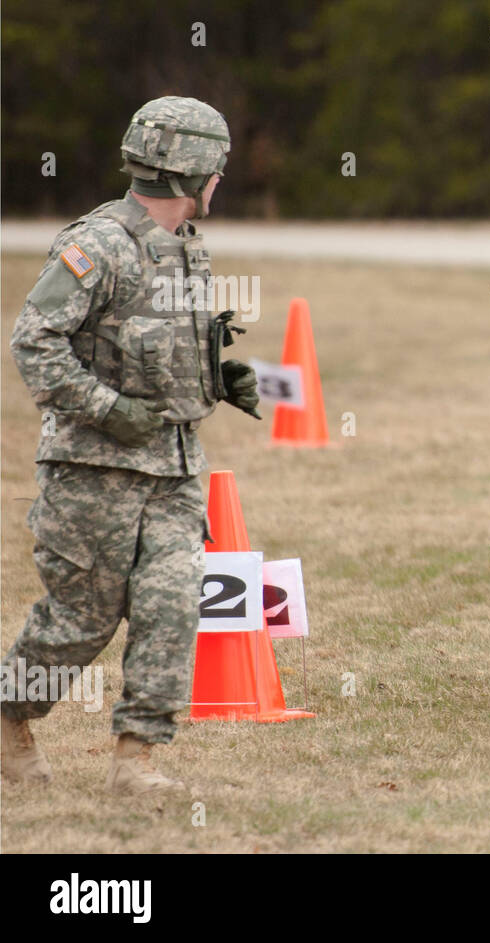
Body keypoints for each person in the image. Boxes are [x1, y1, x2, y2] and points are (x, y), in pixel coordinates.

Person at [0, 96, 261, 794]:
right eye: (218, 169)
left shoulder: (184, 249)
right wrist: (109, 410)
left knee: (172, 604)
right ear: (195, 170)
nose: (219, 183)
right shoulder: (99, 244)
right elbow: (35, 340)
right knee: (79, 621)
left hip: (173, 469)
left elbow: (154, 343)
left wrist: (216, 377)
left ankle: (136, 758)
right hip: (93, 472)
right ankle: (8, 717)